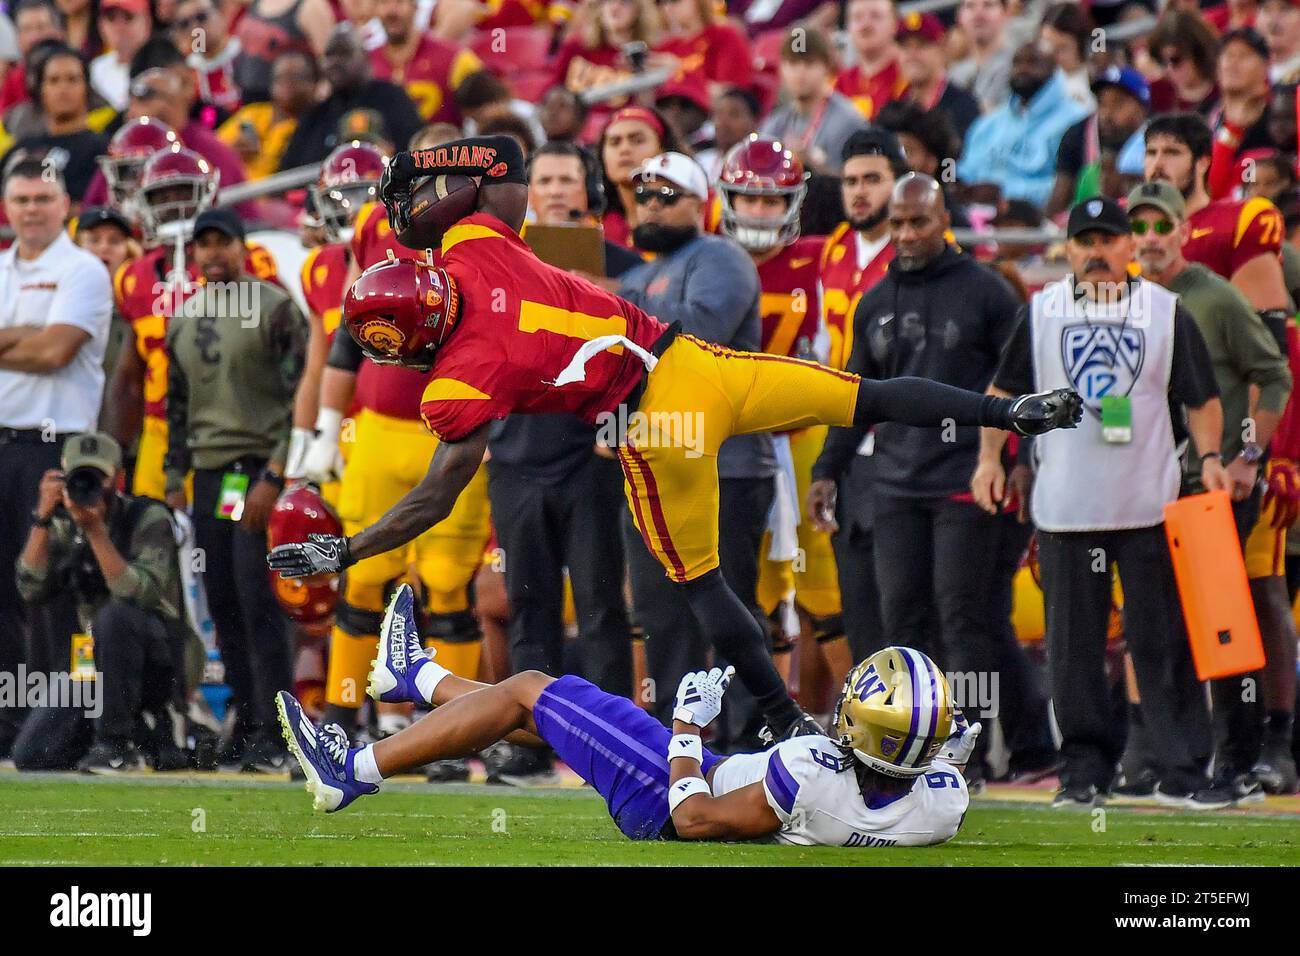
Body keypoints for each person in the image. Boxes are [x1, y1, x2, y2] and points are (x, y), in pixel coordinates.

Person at [267, 132, 1083, 747]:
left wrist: (347, 551)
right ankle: (1008, 413)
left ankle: (785, 722)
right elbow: (507, 159)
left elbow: (433, 499)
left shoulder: (456, 381)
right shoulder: (472, 244)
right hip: (694, 362)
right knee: (865, 398)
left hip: (655, 427)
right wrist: (418, 179)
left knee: (701, 585)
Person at [278, 584, 981, 848]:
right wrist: (935, 753)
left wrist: (685, 729)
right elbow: (922, 772)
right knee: (549, 711)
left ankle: (353, 770)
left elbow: (694, 821)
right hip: (707, 778)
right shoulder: (939, 805)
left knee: (530, 687)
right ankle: (417, 674)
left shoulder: (811, 774)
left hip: (671, 791)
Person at [974, 196, 1227, 809]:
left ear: (1128, 246)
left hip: (1149, 504)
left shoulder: (1166, 312)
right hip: (1066, 508)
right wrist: (988, 459)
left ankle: (1182, 770)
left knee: (1162, 642)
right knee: (1073, 651)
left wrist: (1213, 458)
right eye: (1083, 240)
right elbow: (1002, 392)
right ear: (1068, 249)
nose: (1095, 252)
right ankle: (1083, 771)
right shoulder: (1042, 312)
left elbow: (1203, 397)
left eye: (1107, 239)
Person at [812, 173, 1022, 786]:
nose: (905, 234)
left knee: (963, 616)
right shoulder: (875, 300)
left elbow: (1017, 383)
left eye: (918, 222)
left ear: (945, 220)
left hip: (967, 479)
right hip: (895, 482)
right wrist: (828, 467)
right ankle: (907, 746)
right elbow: (858, 396)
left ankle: (972, 751)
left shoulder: (988, 294)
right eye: (897, 223)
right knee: (899, 618)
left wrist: (1016, 464)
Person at [295, 124, 491, 778]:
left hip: (459, 425)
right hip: (380, 425)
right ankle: (340, 722)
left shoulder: (495, 236)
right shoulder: (379, 229)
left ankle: (449, 739)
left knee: (445, 586)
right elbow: (349, 334)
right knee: (365, 577)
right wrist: (324, 429)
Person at [1126, 179, 1297, 800]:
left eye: (1159, 226)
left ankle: (1238, 760)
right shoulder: (1125, 301)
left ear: (1181, 231)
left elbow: (1273, 375)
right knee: (1159, 623)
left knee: (1219, 625)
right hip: (1148, 485)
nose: (1149, 239)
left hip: (1212, 482)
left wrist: (1251, 452)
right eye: (1138, 228)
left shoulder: (1215, 297)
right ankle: (1171, 759)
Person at [480, 141, 641, 781]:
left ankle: (612, 748)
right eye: (541, 177)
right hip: (515, 456)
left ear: (587, 189)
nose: (552, 189)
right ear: (525, 189)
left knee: (602, 606)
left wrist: (611, 297)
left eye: (565, 178)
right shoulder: (499, 264)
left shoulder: (624, 265)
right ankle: (528, 742)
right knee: (529, 606)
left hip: (591, 457)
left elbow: (650, 353)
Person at [611, 150, 776, 745]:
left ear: (700, 203)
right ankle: (677, 740)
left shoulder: (722, 257)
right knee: (660, 612)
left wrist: (613, 314)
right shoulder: (634, 276)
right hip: (656, 465)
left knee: (727, 606)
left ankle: (749, 737)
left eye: (665, 195)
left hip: (724, 464)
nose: (650, 205)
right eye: (644, 195)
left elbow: (697, 333)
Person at [164, 208, 306, 772]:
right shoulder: (182, 319)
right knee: (221, 597)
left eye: (223, 242)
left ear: (243, 247)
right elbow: (176, 406)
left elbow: (301, 396)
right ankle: (245, 721)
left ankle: (279, 729)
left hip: (255, 465)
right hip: (210, 473)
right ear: (193, 253)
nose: (213, 253)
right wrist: (175, 476)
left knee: (257, 597)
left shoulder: (274, 308)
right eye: (204, 245)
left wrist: (276, 471)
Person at [718, 136, 855, 697]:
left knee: (822, 579)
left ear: (794, 203)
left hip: (802, 433)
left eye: (772, 201)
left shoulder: (822, 258)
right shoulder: (710, 257)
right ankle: (768, 721)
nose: (758, 211)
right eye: (749, 200)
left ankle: (860, 719)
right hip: (736, 437)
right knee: (757, 584)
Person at [0, 159, 111, 759]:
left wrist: (23, 338)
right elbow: (37, 344)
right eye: (21, 199)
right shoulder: (0, 270)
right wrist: (26, 336)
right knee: (2, 590)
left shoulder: (85, 270)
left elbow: (54, 351)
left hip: (55, 446)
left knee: (46, 593)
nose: (32, 209)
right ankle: (8, 724)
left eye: (43, 198)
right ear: (7, 206)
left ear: (64, 204)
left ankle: (55, 731)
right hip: (2, 440)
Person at [13, 432, 189, 772]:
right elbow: (30, 588)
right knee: (33, 755)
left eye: (98, 476)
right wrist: (42, 518)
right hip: (93, 669)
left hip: (157, 663)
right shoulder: (64, 524)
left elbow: (136, 593)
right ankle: (112, 735)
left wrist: (96, 532)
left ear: (119, 479)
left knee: (115, 617)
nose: (88, 486)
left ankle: (116, 746)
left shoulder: (148, 518)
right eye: (79, 475)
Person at [807, 129, 905, 660]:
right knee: (857, 601)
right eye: (850, 181)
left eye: (873, 179)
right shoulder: (835, 248)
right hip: (845, 440)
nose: (860, 191)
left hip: (895, 442)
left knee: (904, 606)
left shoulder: (916, 248)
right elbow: (824, 347)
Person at [958, 42, 1091, 209]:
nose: (1022, 69)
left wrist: (1004, 191)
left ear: (1053, 69)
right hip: (974, 220)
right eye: (1017, 63)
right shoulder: (988, 123)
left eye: (1032, 63)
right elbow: (966, 171)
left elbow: (1071, 188)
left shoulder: (1075, 119)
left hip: (1037, 223)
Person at [278, 24, 422, 171]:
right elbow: (287, 173)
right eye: (329, 55)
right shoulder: (315, 115)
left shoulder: (393, 99)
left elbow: (415, 153)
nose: (335, 61)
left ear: (365, 58)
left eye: (344, 53)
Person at [3, 42, 106, 203]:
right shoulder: (21, 149)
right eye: (53, 80)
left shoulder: (102, 150)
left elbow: (92, 207)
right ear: (41, 90)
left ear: (87, 88)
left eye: (72, 79)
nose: (63, 88)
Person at [759, 26, 869, 175]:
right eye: (793, 63)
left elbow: (856, 183)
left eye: (809, 64)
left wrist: (810, 165)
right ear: (782, 68)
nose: (800, 73)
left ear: (826, 67)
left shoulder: (847, 121)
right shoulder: (775, 123)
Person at [1047, 66, 1151, 220]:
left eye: (1118, 104)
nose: (1106, 113)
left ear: (1141, 107)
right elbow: (1057, 204)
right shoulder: (1078, 133)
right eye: (1102, 103)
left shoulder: (1156, 140)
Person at [369, 0, 484, 126]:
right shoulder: (366, 63)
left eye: (399, 2)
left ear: (415, 6)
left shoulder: (454, 58)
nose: (391, 11)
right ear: (374, 9)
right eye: (383, 3)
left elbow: (487, 111)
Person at [216, 48, 318, 180]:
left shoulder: (313, 127)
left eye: (295, 77)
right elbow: (211, 150)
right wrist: (231, 153)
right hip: (228, 189)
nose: (287, 83)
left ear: (315, 83)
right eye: (280, 77)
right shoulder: (252, 113)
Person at [894, 11, 979, 143]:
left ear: (943, 47)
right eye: (905, 47)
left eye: (921, 45)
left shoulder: (962, 105)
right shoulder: (896, 108)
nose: (911, 55)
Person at [232, 0, 335, 104]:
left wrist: (321, 102)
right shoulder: (257, 2)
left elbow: (329, 59)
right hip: (249, 101)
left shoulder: (311, 5)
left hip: (290, 104)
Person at [834, 0, 906, 122]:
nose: (865, 25)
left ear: (895, 24)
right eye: (857, 18)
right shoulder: (839, 83)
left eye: (876, 16)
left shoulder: (909, 76)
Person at [1146, 8, 1221, 117]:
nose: (1168, 69)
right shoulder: (1155, 92)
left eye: (1175, 60)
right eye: (1162, 61)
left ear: (1198, 54)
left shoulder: (1223, 89)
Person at [949, 0, 1014, 113]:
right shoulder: (954, 75)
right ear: (959, 16)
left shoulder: (1020, 64)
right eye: (970, 6)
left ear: (1006, 13)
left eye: (988, 5)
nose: (978, 14)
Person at [88, 0, 149, 110]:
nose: (119, 27)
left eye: (128, 17)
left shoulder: (161, 67)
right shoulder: (95, 68)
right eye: (111, 18)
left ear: (147, 22)